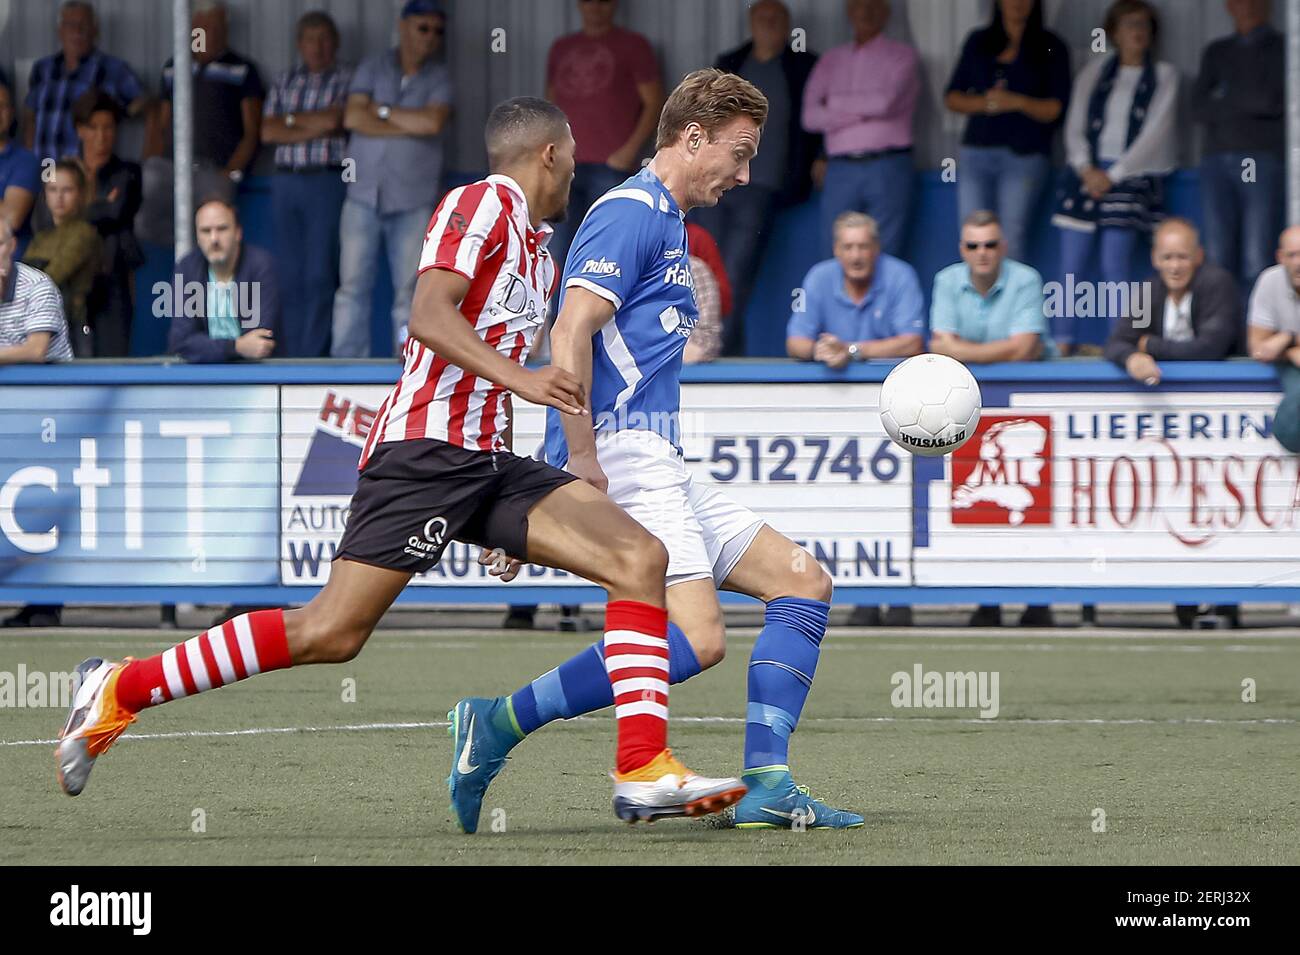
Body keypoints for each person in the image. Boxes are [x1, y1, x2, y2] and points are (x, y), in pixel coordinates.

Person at [54, 97, 745, 830]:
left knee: (637, 556)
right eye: (572, 153)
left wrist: (532, 504)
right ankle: (121, 685)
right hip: (421, 454)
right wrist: (525, 383)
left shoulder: (539, 250)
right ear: (548, 154)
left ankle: (642, 767)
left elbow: (497, 366)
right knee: (331, 631)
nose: (578, 167)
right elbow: (428, 315)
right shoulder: (479, 203)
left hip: (485, 461)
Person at [449, 69, 862, 834]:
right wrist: (573, 464)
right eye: (737, 155)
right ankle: (499, 723)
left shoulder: (670, 222)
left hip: (660, 455)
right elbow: (567, 334)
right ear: (692, 136)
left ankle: (769, 782)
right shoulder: (630, 211)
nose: (743, 175)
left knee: (803, 582)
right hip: (623, 451)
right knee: (700, 638)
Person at [932, 210, 1052, 628]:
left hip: (1028, 409)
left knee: (1034, 510)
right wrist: (996, 349)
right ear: (962, 249)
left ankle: (1040, 601)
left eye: (990, 245)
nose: (982, 254)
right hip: (968, 406)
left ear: (1003, 247)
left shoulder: (1026, 279)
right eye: (973, 246)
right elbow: (942, 347)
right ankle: (987, 600)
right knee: (981, 508)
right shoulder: (947, 280)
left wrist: (962, 350)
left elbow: (1025, 350)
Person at [1051, 0, 1177, 355]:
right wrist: (1084, 167)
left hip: (1132, 175)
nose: (1136, 31)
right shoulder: (1093, 72)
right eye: (1128, 24)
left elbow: (1156, 132)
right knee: (1070, 264)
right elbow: (1075, 124)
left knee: (1114, 263)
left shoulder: (1165, 75)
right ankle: (1062, 342)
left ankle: (1116, 345)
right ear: (1114, 32)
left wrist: (1114, 173)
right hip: (1086, 173)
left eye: (1143, 25)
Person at [330, 0, 453, 358]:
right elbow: (353, 117)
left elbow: (431, 123)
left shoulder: (440, 76)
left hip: (413, 199)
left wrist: (381, 111)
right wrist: (405, 121)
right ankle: (345, 368)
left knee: (409, 290)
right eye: (423, 28)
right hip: (363, 195)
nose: (431, 37)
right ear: (403, 26)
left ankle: (409, 362)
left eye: (438, 31)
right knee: (351, 287)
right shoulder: (373, 66)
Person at [705, 0, 820, 352]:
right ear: (750, 23)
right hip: (716, 185)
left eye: (776, 18)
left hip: (763, 185)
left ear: (787, 26)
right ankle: (717, 350)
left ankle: (721, 355)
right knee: (708, 273)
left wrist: (819, 160)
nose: (768, 24)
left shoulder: (802, 65)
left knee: (735, 276)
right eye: (762, 17)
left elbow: (813, 123)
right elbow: (706, 116)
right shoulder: (731, 63)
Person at [944, 0, 1071, 262]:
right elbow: (952, 97)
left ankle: (1013, 303)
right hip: (976, 151)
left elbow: (1057, 108)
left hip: (1025, 155)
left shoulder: (1049, 44)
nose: (1017, 3)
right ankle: (975, 302)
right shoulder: (979, 41)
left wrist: (1017, 101)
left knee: (1010, 236)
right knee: (973, 233)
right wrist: (986, 103)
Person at [544, 0, 663, 274]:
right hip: (564, 164)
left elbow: (655, 102)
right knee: (556, 245)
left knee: (605, 248)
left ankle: (597, 315)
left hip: (611, 167)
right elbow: (550, 105)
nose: (595, 7)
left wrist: (629, 151)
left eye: (603, 0)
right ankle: (551, 313)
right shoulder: (561, 48)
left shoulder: (634, 45)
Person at [262, 11, 351, 358]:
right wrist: (318, 123)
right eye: (311, 39)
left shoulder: (347, 77)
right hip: (286, 182)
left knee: (319, 275)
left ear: (336, 43)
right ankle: (292, 355)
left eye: (325, 38)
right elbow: (268, 131)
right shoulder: (286, 79)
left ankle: (314, 357)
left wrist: (292, 122)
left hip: (326, 180)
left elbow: (338, 120)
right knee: (290, 275)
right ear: (300, 44)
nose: (318, 46)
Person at [0, 215, 74, 631]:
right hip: (8, 414)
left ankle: (45, 602)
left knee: (41, 507)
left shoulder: (36, 286)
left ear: (12, 246)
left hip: (53, 415)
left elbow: (35, 349)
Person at [140, 0, 265, 244]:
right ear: (192, 29)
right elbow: (161, 124)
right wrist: (151, 159)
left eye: (218, 27)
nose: (212, 33)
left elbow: (253, 131)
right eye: (205, 27)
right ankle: (187, 252)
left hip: (214, 170)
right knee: (143, 219)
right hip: (172, 169)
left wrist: (231, 173)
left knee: (215, 233)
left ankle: (201, 259)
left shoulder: (242, 69)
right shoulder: (173, 67)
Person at [803, 0, 918, 259]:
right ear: (848, 12)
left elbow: (884, 103)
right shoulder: (831, 59)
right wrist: (864, 108)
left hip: (888, 164)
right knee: (835, 251)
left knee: (887, 251)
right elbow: (810, 117)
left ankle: (882, 302)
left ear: (885, 13)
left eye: (872, 6)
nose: (865, 12)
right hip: (840, 168)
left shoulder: (902, 55)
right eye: (858, 6)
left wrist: (834, 104)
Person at [1193, 0, 1284, 296]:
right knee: (1218, 256)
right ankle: (1222, 334)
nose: (1246, 5)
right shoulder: (1217, 51)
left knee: (1256, 256)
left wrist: (1226, 98)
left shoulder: (1283, 47)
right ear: (1228, 5)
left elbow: (1273, 101)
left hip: (1259, 158)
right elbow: (1198, 108)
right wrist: (1247, 101)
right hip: (1215, 160)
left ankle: (1254, 335)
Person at [1104, 218, 1240, 382]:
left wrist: (1149, 346)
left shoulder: (1216, 283)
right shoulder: (1150, 291)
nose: (1174, 267)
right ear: (1154, 258)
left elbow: (1210, 348)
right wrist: (1132, 358)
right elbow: (1116, 343)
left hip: (1219, 384)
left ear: (1198, 256)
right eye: (1167, 258)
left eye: (1182, 257)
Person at [786, 211, 924, 367]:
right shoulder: (817, 277)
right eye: (847, 247)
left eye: (863, 247)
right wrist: (819, 350)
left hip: (888, 378)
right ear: (836, 250)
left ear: (876, 248)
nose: (856, 256)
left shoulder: (901, 275)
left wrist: (851, 350)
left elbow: (913, 343)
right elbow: (794, 342)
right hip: (831, 381)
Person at [22, 1, 146, 164]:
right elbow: (30, 117)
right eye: (70, 25)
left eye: (84, 25)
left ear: (95, 30)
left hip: (86, 171)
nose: (77, 31)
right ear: (60, 31)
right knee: (51, 188)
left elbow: (144, 102)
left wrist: (115, 115)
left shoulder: (111, 68)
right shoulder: (43, 69)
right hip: (48, 166)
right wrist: (29, 161)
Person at [166, 198, 279, 363]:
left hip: (257, 373)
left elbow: (261, 342)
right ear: (197, 237)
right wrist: (236, 346)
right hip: (202, 373)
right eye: (205, 231)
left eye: (222, 229)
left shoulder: (260, 266)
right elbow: (180, 341)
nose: (214, 239)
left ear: (238, 233)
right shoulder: (187, 268)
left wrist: (207, 347)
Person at [74, 87, 143, 358]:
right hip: (71, 276)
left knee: (114, 360)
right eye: (94, 127)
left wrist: (80, 211)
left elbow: (117, 212)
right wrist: (101, 207)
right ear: (80, 130)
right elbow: (49, 219)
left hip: (113, 276)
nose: (102, 136)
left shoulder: (127, 171)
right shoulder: (64, 171)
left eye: (109, 128)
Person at [22, 158, 102, 358]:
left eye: (67, 190)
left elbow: (50, 277)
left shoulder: (84, 232)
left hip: (73, 327)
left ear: (81, 194)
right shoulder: (41, 237)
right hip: (36, 325)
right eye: (52, 189)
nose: (59, 197)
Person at [1247, 225, 1300, 453]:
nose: (1299, 262)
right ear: (1280, 257)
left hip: (1287, 358)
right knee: (1288, 429)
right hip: (1288, 363)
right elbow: (1258, 348)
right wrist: (1290, 342)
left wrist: (1284, 341)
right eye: (1292, 255)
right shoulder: (1270, 280)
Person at [0, 77, 41, 256]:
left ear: (11, 113)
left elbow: (11, 220)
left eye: (2, 106)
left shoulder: (26, 160)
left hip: (10, 264)